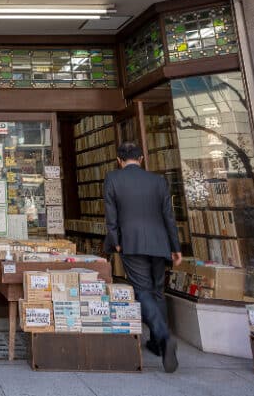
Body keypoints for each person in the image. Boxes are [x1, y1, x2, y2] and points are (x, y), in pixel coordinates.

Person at [103, 141, 182, 373]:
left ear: (119, 160)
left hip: (131, 241)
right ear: (142, 159)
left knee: (143, 290)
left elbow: (111, 214)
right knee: (158, 290)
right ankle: (158, 345)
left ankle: (163, 337)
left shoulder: (113, 179)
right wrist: (175, 246)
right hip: (159, 242)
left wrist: (115, 241)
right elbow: (169, 215)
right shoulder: (158, 181)